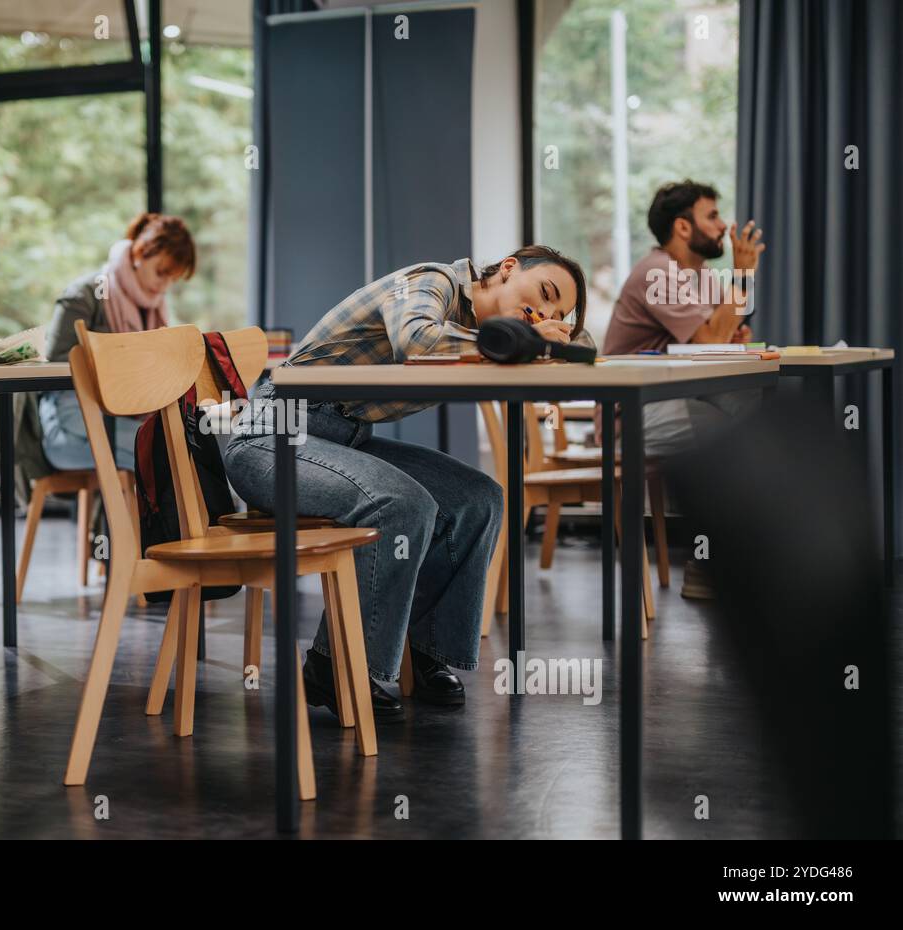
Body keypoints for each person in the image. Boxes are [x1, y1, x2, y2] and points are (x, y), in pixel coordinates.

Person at [223, 245, 589, 720]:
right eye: (545, 293)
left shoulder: (487, 335)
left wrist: (550, 345)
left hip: (340, 440)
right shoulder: (431, 281)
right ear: (509, 268)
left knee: (477, 498)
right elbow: (416, 342)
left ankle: (425, 648)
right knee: (400, 503)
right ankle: (335, 665)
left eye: (555, 312)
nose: (543, 311)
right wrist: (520, 341)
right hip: (270, 438)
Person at [602, 179, 767, 598]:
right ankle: (709, 563)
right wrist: (743, 275)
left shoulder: (702, 277)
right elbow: (711, 342)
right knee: (736, 433)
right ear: (682, 226)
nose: (722, 226)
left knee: (753, 406)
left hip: (668, 402)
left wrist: (730, 333)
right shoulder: (659, 271)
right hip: (629, 416)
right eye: (711, 216)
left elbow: (718, 343)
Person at [38, 213, 196, 471]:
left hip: (120, 419)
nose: (164, 284)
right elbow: (57, 365)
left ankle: (189, 511)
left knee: (188, 448)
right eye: (161, 272)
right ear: (138, 253)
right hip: (70, 424)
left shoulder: (155, 309)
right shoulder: (85, 294)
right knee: (172, 452)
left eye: (172, 278)